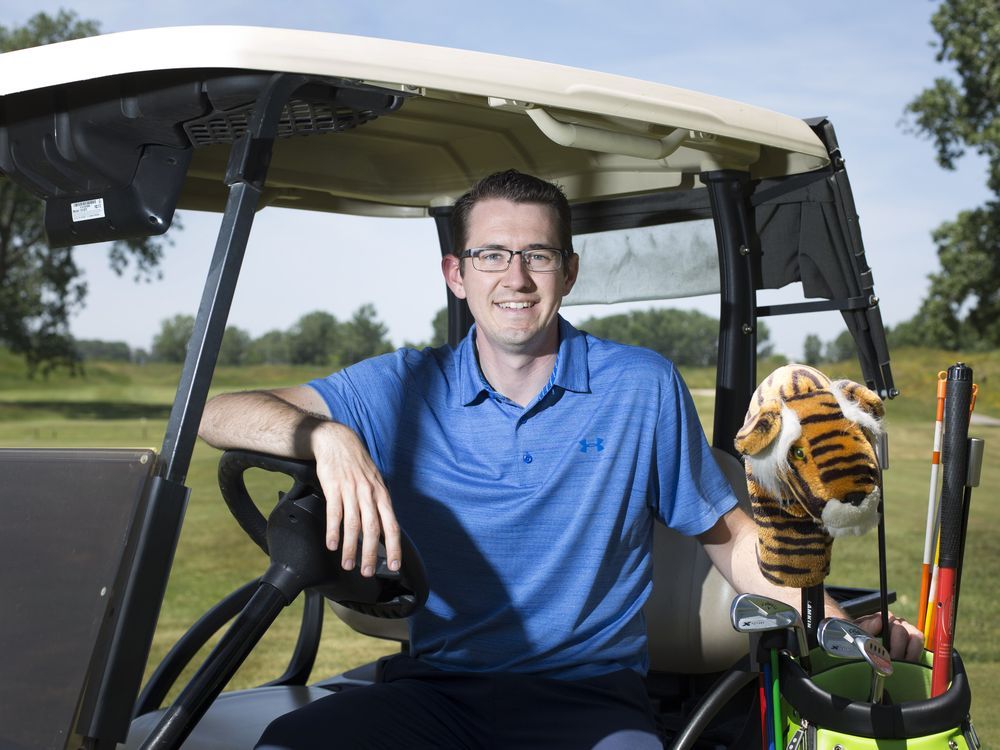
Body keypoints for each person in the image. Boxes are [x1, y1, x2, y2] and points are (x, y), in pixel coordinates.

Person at [199, 169, 921, 749]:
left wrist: (838, 625)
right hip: (437, 692)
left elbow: (731, 542)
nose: (515, 277)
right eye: (491, 255)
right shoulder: (401, 387)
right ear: (456, 273)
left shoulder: (640, 386)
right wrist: (324, 437)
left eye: (537, 255)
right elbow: (214, 413)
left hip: (588, 701)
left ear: (568, 271)